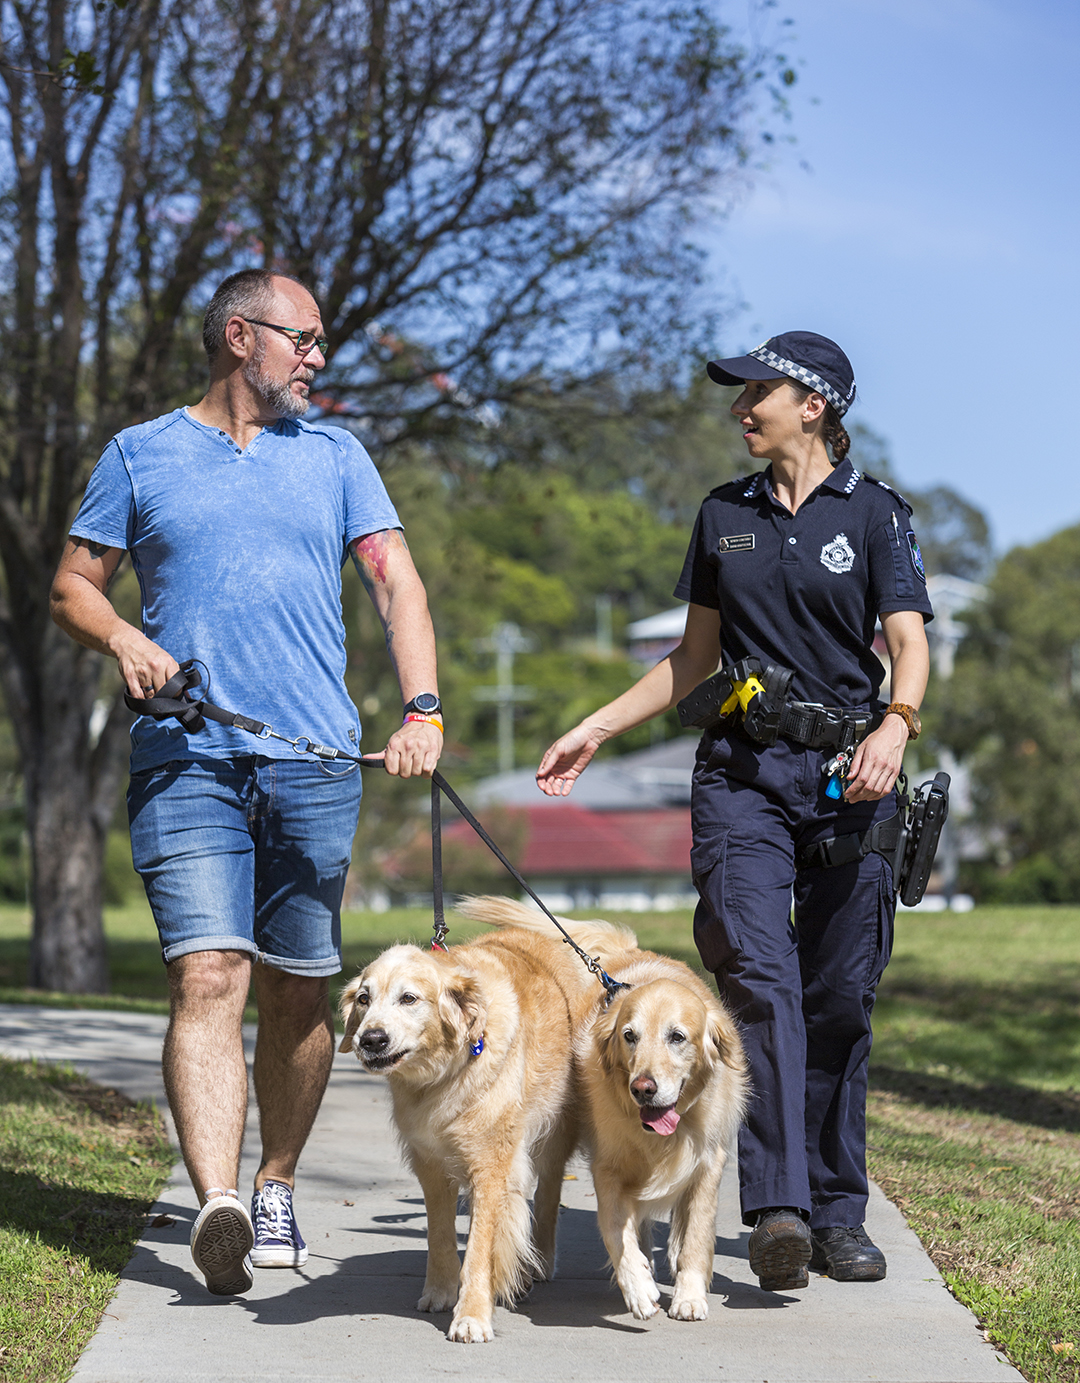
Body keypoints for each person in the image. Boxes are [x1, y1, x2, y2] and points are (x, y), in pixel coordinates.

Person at [50, 269, 444, 1296]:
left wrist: (423, 709)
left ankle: (276, 1182)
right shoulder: (139, 455)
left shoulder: (337, 457)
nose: (318, 356)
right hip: (186, 757)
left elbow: (396, 581)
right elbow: (73, 585)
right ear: (239, 335)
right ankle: (219, 1200)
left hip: (314, 763)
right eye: (302, 338)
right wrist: (124, 637)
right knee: (207, 974)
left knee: (297, 988)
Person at [536, 332, 932, 1292]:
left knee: (839, 997)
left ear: (814, 405)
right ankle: (780, 1208)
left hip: (850, 781)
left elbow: (909, 642)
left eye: (758, 392)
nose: (739, 407)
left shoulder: (875, 514)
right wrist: (596, 727)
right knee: (759, 978)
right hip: (742, 776)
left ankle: (838, 1212)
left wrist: (897, 724)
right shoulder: (724, 514)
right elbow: (693, 657)